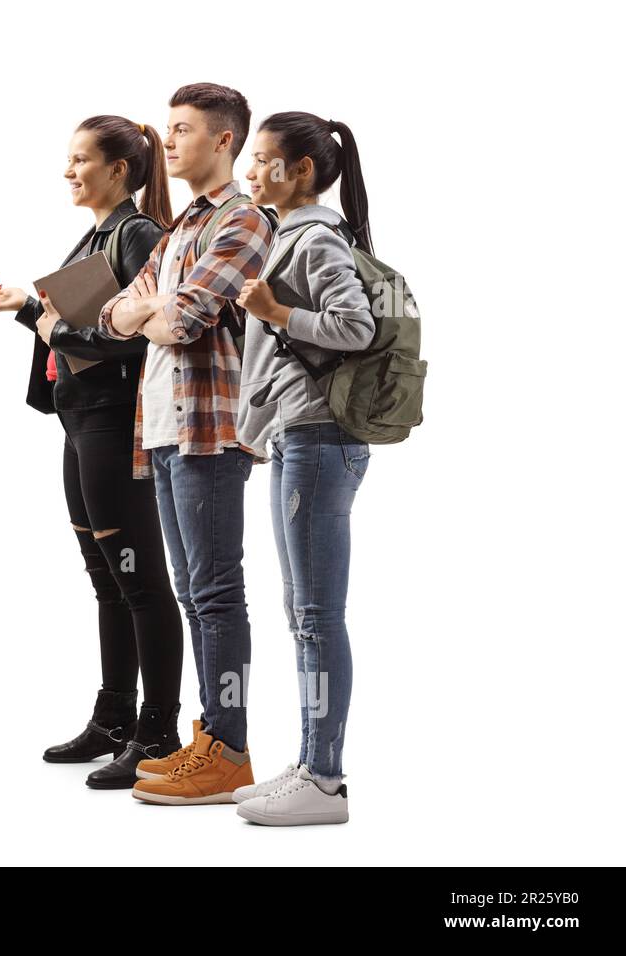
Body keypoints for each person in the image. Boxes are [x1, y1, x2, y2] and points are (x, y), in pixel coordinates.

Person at [0, 115, 187, 789]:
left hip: (115, 423)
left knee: (139, 579)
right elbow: (70, 330)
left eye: (79, 160)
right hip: (80, 420)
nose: (68, 170)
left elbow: (147, 336)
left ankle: (157, 731)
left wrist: (48, 320)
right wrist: (24, 310)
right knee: (107, 576)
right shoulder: (98, 236)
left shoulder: (140, 235)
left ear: (119, 170)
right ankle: (115, 718)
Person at [97, 83, 275, 807]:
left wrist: (151, 311)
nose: (167, 144)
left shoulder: (245, 220)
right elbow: (115, 314)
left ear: (225, 140)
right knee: (191, 593)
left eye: (182, 130)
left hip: (209, 431)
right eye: (168, 130)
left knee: (216, 590)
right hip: (163, 431)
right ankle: (209, 739)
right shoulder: (173, 234)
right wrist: (146, 311)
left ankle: (229, 749)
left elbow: (191, 315)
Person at [231, 112, 376, 826]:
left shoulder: (315, 237)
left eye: (264, 161)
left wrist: (278, 311)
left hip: (320, 440)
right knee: (303, 613)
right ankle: (311, 763)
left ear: (305, 172)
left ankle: (325, 779)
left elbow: (357, 328)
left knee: (317, 615)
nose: (252, 172)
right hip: (298, 437)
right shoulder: (286, 234)